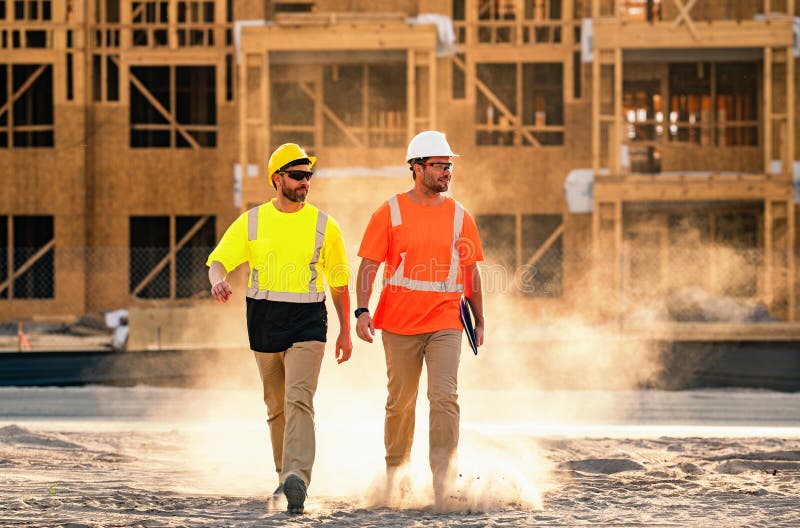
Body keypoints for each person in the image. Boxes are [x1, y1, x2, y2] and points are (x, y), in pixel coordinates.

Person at [206, 143, 352, 514]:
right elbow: (219, 261)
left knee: (299, 399)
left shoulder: (324, 225)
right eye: (298, 176)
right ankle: (284, 474)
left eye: (309, 176)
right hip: (264, 321)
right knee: (276, 406)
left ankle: (298, 477)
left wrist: (346, 330)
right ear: (277, 179)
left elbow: (338, 282)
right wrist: (216, 280)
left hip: (308, 322)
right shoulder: (252, 221)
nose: (306, 182)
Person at [354, 130, 485, 506]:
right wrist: (362, 310)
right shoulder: (390, 212)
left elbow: (472, 272)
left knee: (444, 397)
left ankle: (445, 481)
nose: (447, 172)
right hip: (397, 323)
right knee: (400, 402)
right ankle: (397, 476)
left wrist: (478, 318)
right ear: (417, 168)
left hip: (446, 320)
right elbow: (368, 266)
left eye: (449, 166)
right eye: (441, 165)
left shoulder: (461, 217)